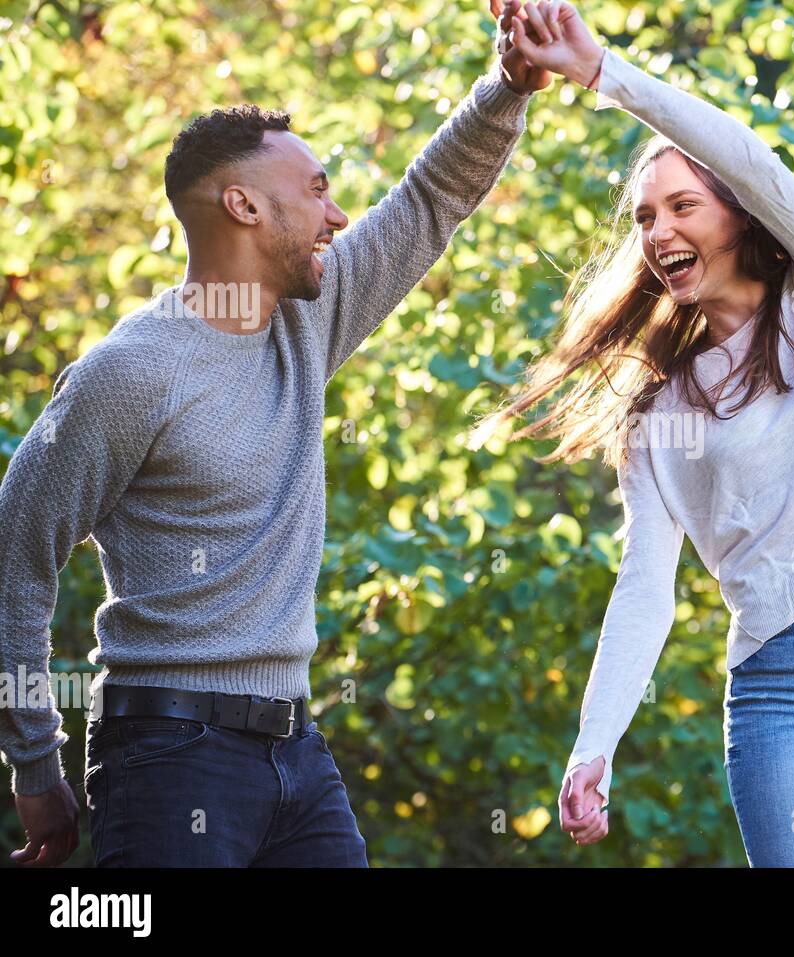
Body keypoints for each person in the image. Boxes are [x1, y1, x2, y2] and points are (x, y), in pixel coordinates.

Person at [0, 8, 548, 867]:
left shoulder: (308, 319)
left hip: (297, 751)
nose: (337, 215)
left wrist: (510, 84)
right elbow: (14, 553)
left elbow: (431, 201)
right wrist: (35, 764)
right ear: (243, 204)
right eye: (318, 189)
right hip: (166, 760)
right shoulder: (130, 372)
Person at [486, 0, 794, 866]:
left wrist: (603, 74)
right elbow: (645, 585)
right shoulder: (662, 414)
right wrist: (593, 741)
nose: (659, 231)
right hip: (787, 680)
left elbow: (747, 158)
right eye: (644, 219)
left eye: (682, 206)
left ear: (741, 215)